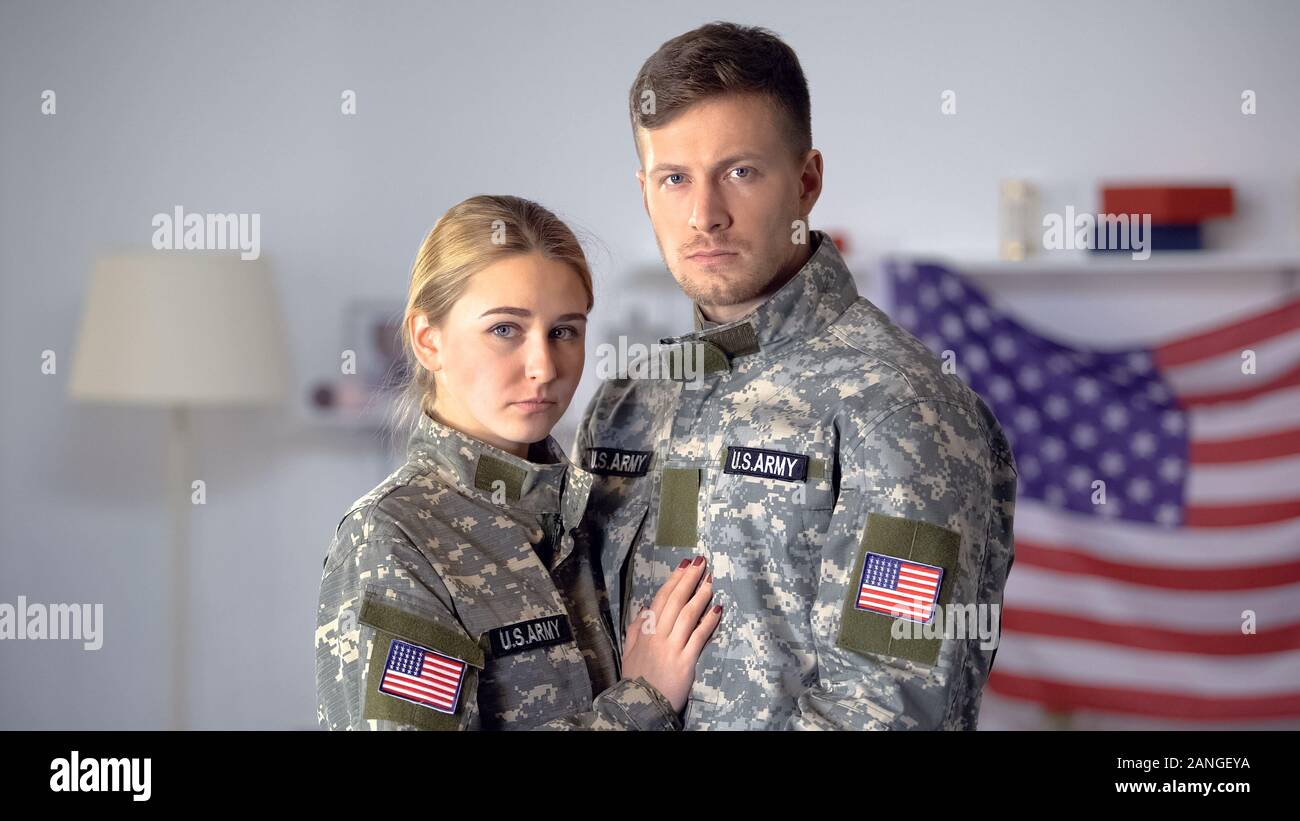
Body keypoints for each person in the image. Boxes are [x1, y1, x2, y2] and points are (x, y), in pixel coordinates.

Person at [574, 22, 1017, 730]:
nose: (704, 214)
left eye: (740, 172)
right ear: (645, 190)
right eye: (674, 179)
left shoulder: (900, 406)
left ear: (806, 181)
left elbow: (886, 711)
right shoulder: (626, 404)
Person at [316, 194, 722, 730]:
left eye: (564, 331)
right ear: (427, 340)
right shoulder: (396, 538)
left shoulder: (588, 514)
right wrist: (640, 703)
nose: (543, 366)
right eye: (504, 329)